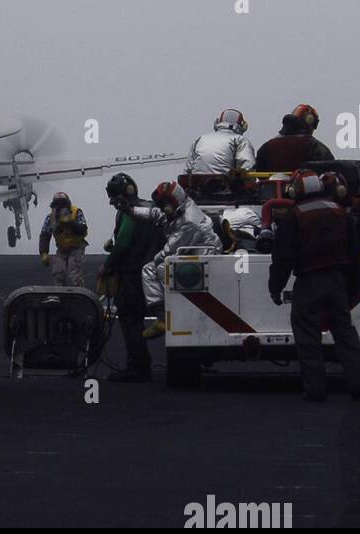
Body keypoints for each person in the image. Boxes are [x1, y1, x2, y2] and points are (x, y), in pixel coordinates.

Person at [269, 169, 360, 401]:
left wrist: (275, 287)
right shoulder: (341, 212)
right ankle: (357, 385)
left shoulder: (294, 217)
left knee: (307, 336)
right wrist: (353, 286)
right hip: (337, 280)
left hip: (309, 281)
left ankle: (315, 389)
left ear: (294, 190)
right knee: (345, 333)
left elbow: (283, 257)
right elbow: (355, 254)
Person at [123, 182, 222, 339]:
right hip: (193, 250)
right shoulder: (179, 209)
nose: (163, 208)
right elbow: (156, 214)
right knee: (150, 269)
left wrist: (155, 259)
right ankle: (162, 316)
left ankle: (170, 313)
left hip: (207, 254)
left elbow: (170, 250)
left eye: (165, 204)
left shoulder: (189, 221)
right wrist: (130, 210)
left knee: (162, 267)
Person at [102, 173, 163, 382]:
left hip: (131, 275)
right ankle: (141, 364)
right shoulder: (151, 208)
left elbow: (124, 243)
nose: (112, 202)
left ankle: (137, 366)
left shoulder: (129, 213)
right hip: (152, 273)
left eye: (114, 197)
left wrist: (108, 265)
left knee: (130, 321)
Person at [254, 104, 334, 173]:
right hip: (302, 190)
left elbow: (259, 170)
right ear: (310, 121)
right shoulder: (313, 146)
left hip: (270, 190)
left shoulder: (268, 146)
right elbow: (330, 168)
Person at [184, 109, 256, 176]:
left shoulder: (200, 139)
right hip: (225, 186)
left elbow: (188, 170)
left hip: (196, 186)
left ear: (218, 122)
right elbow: (247, 167)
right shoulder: (240, 140)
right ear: (242, 126)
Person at [38, 192, 89, 287]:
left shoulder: (76, 212)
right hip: (61, 249)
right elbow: (45, 235)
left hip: (77, 247)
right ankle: (59, 294)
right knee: (58, 271)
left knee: (74, 272)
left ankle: (80, 295)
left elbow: (83, 229)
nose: (60, 207)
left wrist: (71, 222)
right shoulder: (51, 218)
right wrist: (43, 253)